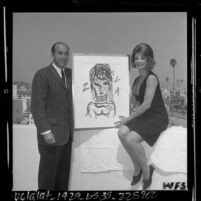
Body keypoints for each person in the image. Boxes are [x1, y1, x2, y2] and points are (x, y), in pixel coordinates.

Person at [115, 43, 169, 190]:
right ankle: (136, 168)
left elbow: (146, 105)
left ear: (149, 60)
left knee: (131, 139)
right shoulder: (136, 79)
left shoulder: (151, 78)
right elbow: (136, 103)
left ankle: (146, 170)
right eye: (136, 57)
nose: (138, 61)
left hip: (157, 117)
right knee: (121, 133)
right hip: (144, 116)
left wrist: (128, 119)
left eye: (142, 58)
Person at [31, 42, 73, 191]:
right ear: (52, 55)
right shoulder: (42, 74)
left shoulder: (69, 74)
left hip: (67, 136)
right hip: (50, 137)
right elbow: (37, 107)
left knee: (62, 180)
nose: (64, 56)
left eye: (66, 53)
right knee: (47, 180)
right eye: (60, 53)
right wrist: (46, 132)